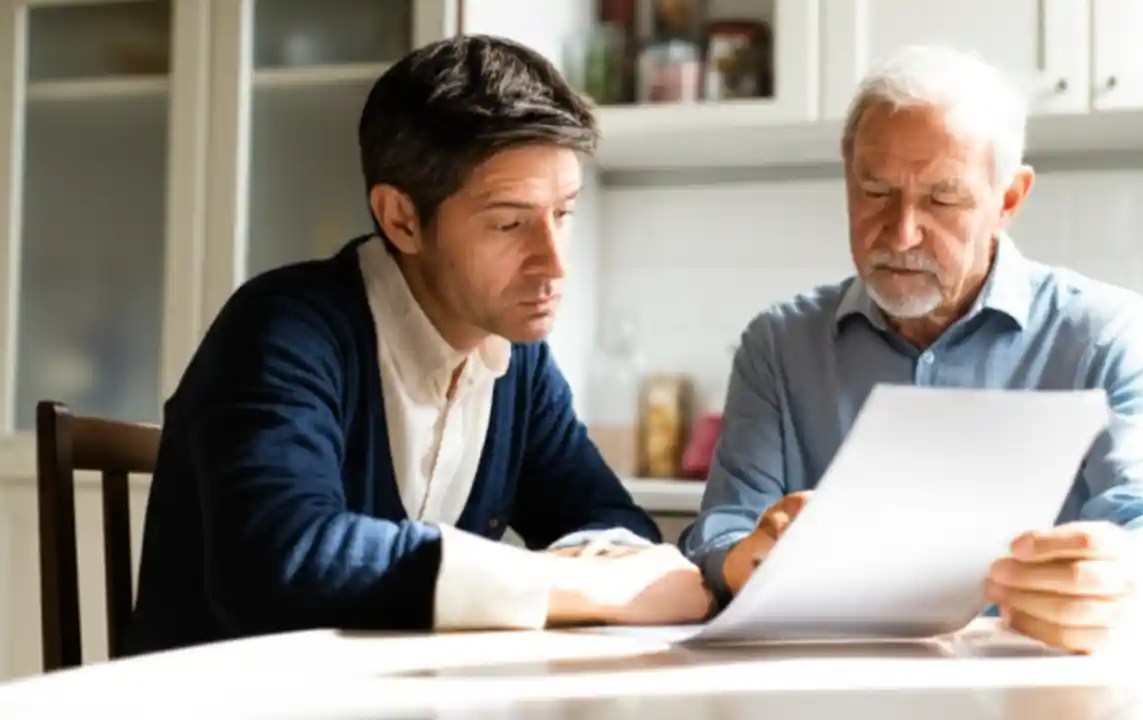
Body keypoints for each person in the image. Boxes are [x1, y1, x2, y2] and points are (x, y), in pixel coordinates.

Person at [127, 35, 711, 655]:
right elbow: (280, 562)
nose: (554, 263)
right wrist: (576, 587)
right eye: (510, 223)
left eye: (563, 213)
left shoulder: (516, 359)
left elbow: (613, 526)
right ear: (401, 218)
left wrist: (609, 573)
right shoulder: (286, 330)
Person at [679, 46, 1143, 654]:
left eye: (942, 199)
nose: (902, 231)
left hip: (1033, 688)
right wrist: (749, 557)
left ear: (1008, 200)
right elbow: (718, 534)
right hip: (831, 680)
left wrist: (1122, 584)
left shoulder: (1108, 335)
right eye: (875, 191)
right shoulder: (778, 344)